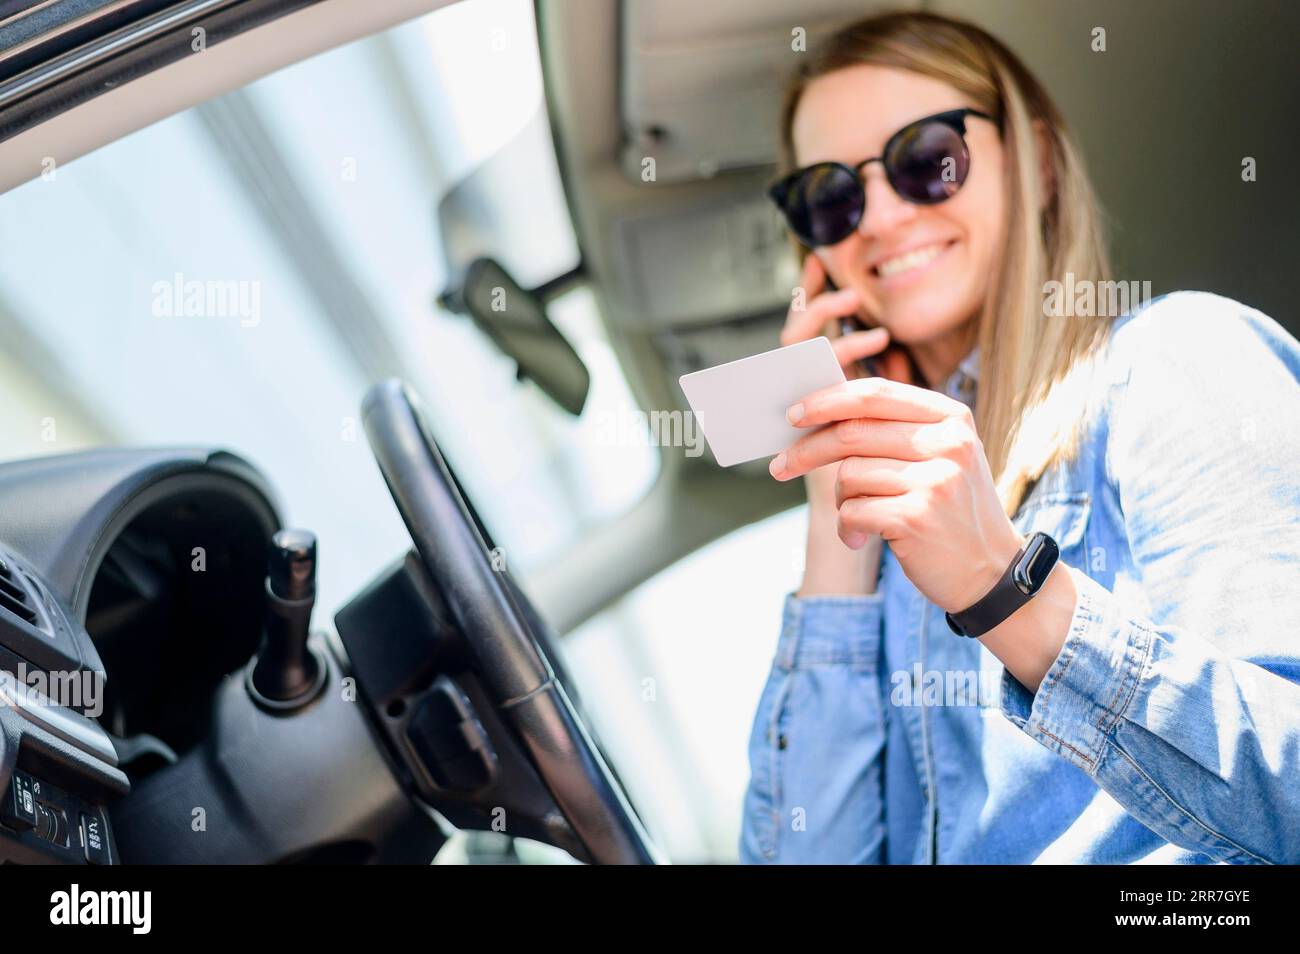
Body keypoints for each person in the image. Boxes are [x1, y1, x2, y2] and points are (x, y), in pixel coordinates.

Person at [741, 10, 1300, 864]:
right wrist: (835, 510)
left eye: (927, 159)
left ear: (1036, 164)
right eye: (832, 196)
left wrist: (1008, 593)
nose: (881, 219)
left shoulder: (1176, 359)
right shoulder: (885, 540)